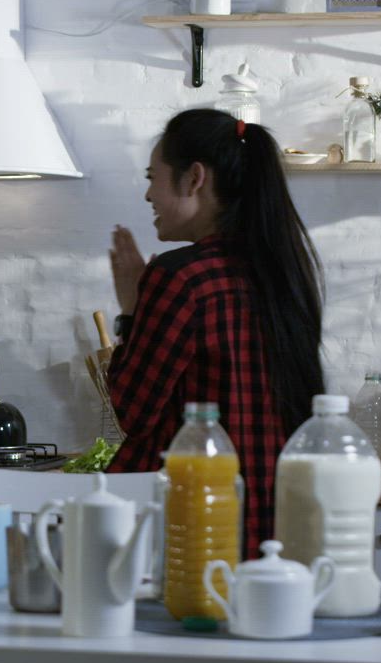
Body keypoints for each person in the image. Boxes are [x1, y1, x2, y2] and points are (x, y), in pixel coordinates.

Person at [105, 109, 324, 557]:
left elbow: (133, 413)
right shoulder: (285, 272)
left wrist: (130, 311)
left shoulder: (178, 277)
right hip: (272, 516)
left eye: (153, 177)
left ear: (195, 178)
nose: (148, 194)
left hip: (193, 515)